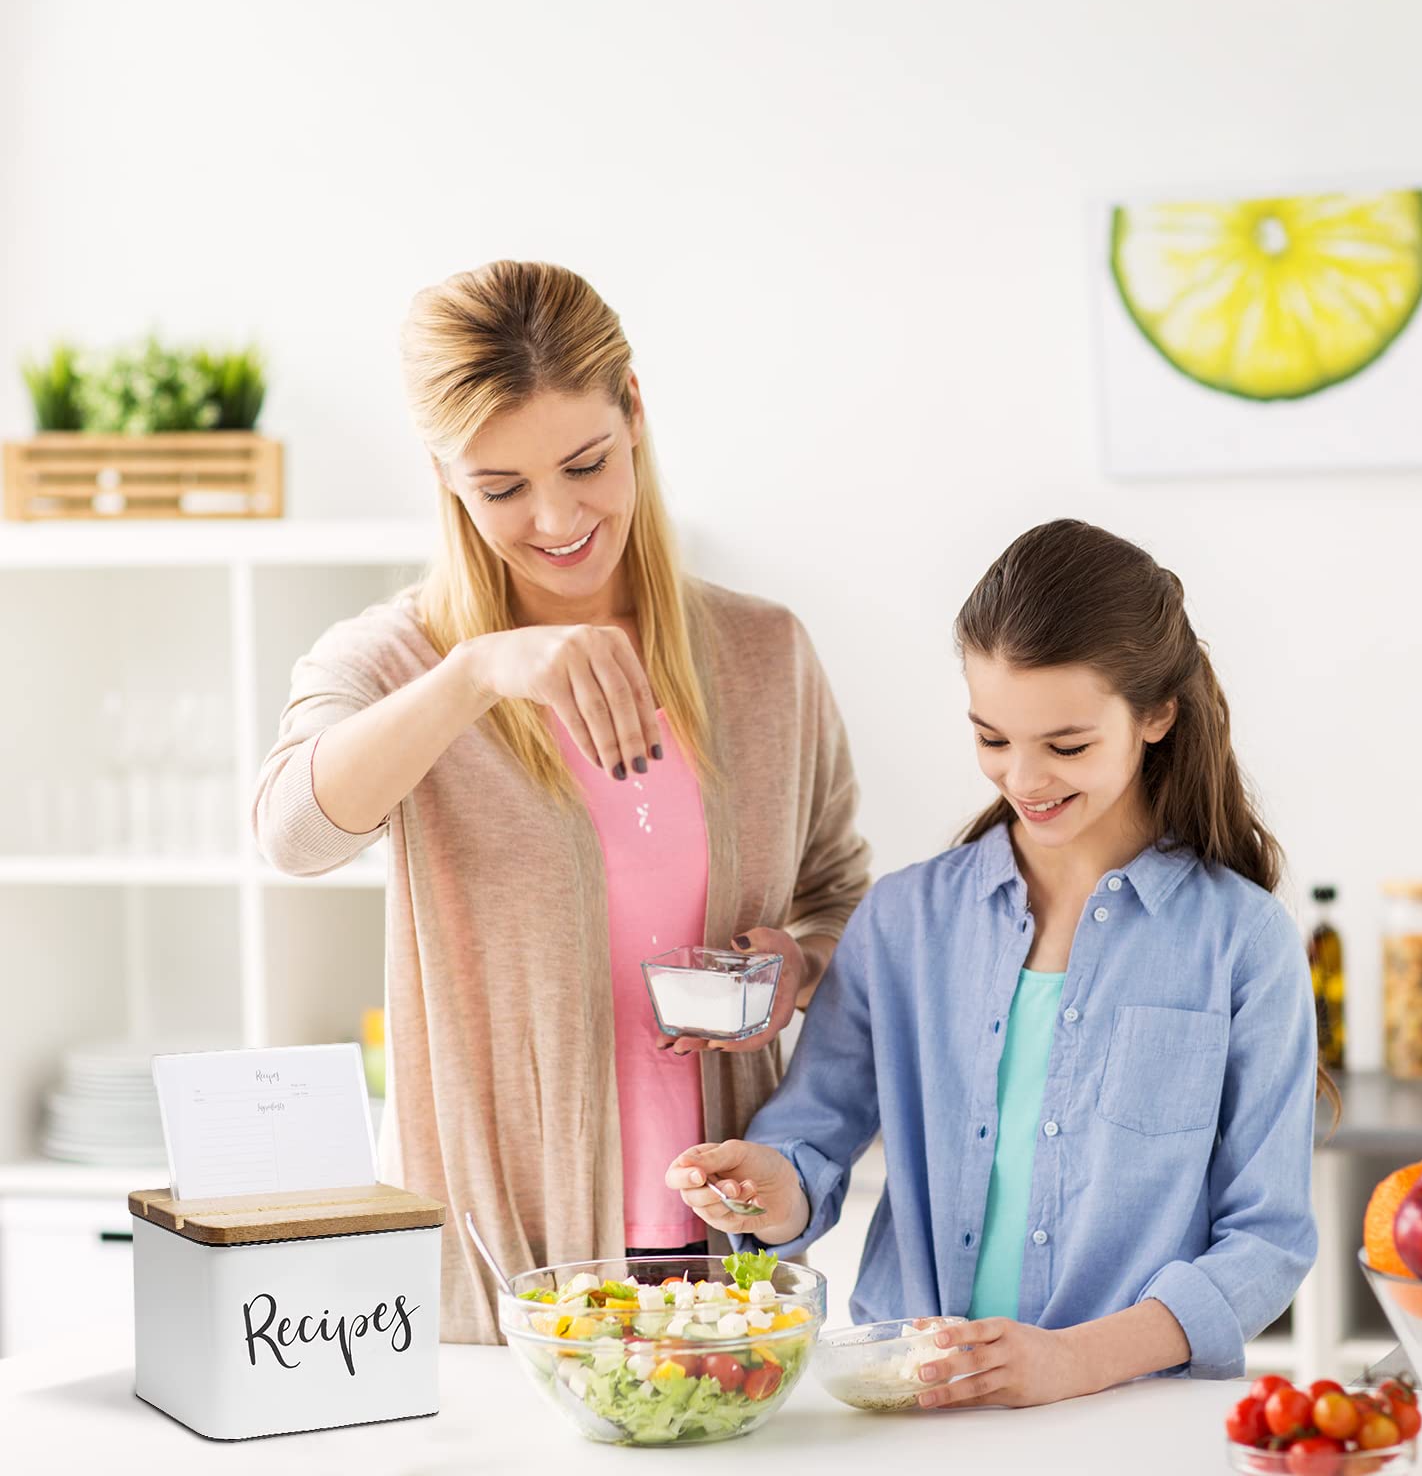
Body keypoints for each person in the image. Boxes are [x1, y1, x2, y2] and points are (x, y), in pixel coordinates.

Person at [253, 260, 870, 1343]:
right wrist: (477, 673)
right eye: (500, 487)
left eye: (584, 464)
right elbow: (290, 834)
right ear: (445, 475)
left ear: (634, 410)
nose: (555, 518)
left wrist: (797, 967)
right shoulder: (399, 663)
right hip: (503, 1277)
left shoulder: (764, 653)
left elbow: (840, 892)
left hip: (722, 1262)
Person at [668, 519, 1332, 1405]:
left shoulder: (1241, 943)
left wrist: (1073, 1361)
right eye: (992, 738)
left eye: (1066, 746)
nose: (1024, 779)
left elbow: (1267, 1243)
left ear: (1157, 715)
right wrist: (766, 1190)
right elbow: (811, 1147)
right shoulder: (904, 921)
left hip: (1129, 1421)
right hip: (911, 1408)